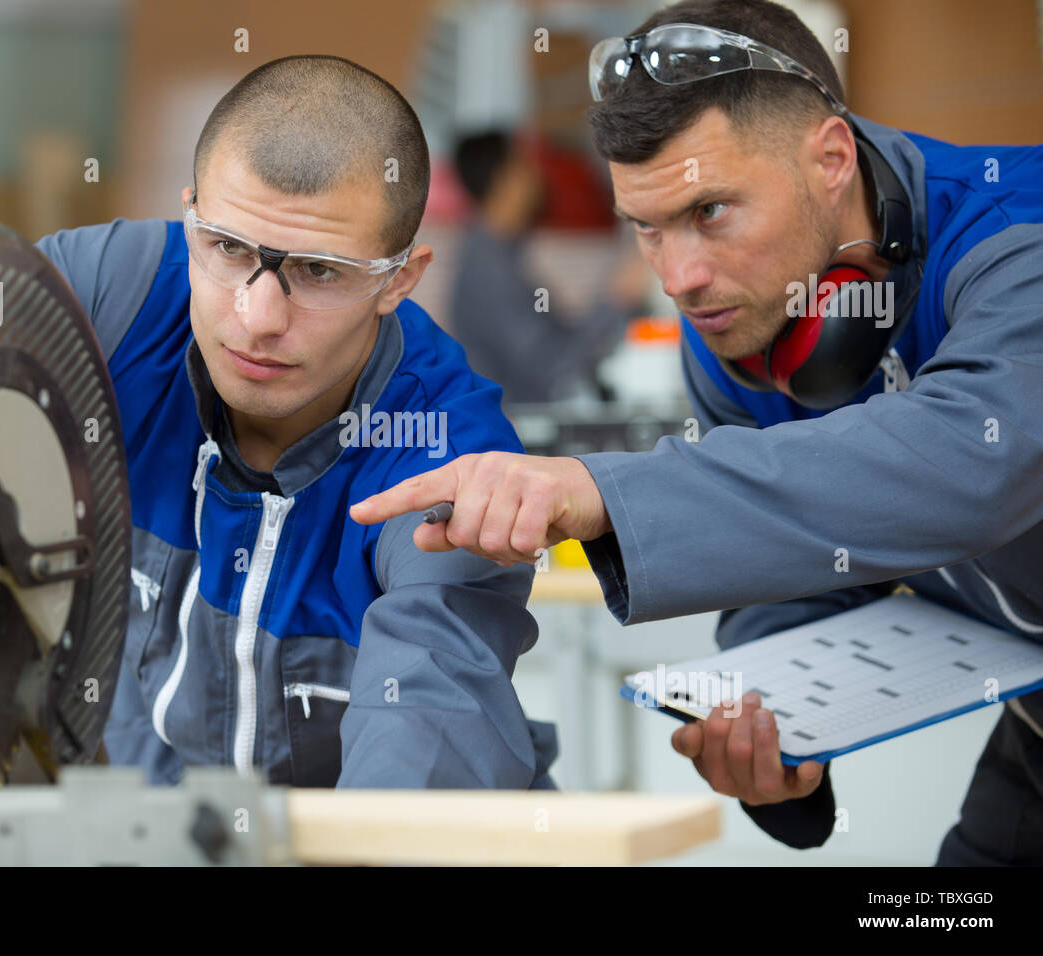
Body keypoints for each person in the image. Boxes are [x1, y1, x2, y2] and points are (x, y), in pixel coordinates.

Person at [352, 0, 1043, 862]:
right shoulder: (738, 323)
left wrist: (602, 488)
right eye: (646, 226)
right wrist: (774, 740)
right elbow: (796, 575)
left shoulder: (1020, 232)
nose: (679, 278)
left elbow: (978, 463)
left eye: (711, 210)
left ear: (829, 158)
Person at [36, 55, 557, 789]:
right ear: (190, 219)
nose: (257, 318)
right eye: (229, 249)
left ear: (399, 279)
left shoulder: (443, 448)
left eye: (319, 271)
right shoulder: (115, 297)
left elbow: (428, 722)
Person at [449, 129, 646, 404]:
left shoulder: (495, 256)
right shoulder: (491, 272)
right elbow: (555, 368)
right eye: (526, 167)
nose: (539, 178)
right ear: (504, 181)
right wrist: (616, 299)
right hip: (520, 431)